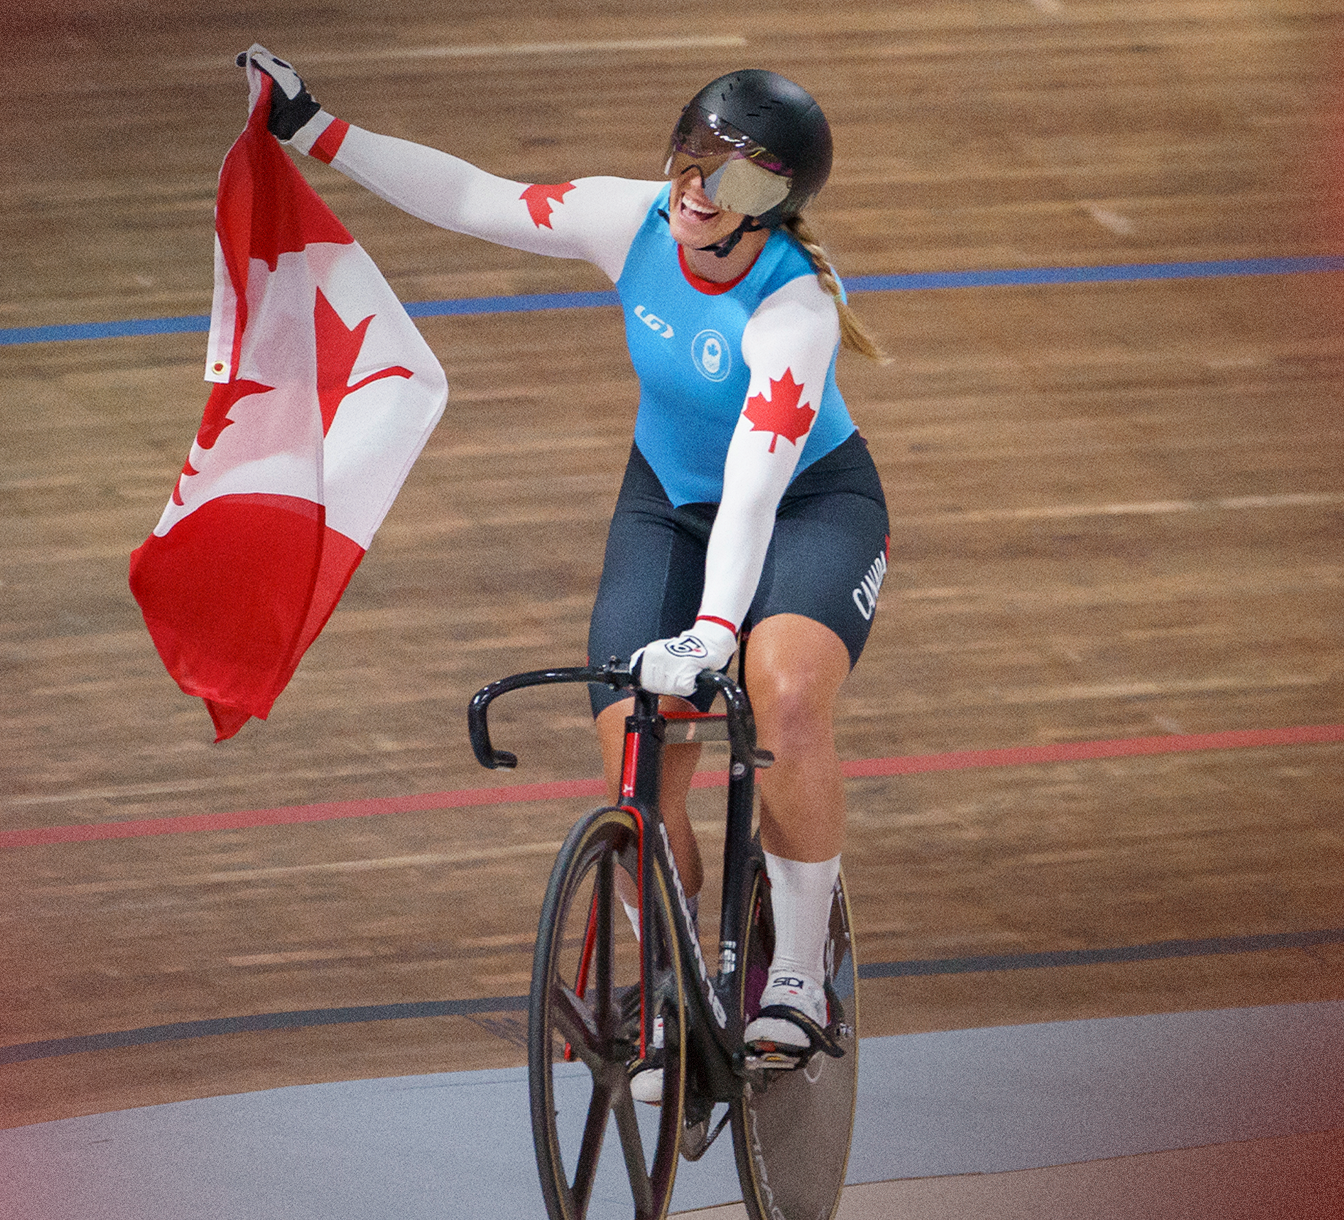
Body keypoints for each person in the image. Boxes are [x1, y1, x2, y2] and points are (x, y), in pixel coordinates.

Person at [236, 45, 889, 1074]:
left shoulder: (793, 308)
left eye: (738, 178)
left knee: (786, 691)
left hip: (810, 508)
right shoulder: (626, 219)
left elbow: (758, 484)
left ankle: (799, 971)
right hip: (669, 505)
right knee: (640, 745)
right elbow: (475, 197)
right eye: (693, 155)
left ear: (776, 205)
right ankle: (672, 975)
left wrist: (716, 632)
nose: (701, 189)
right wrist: (314, 126)